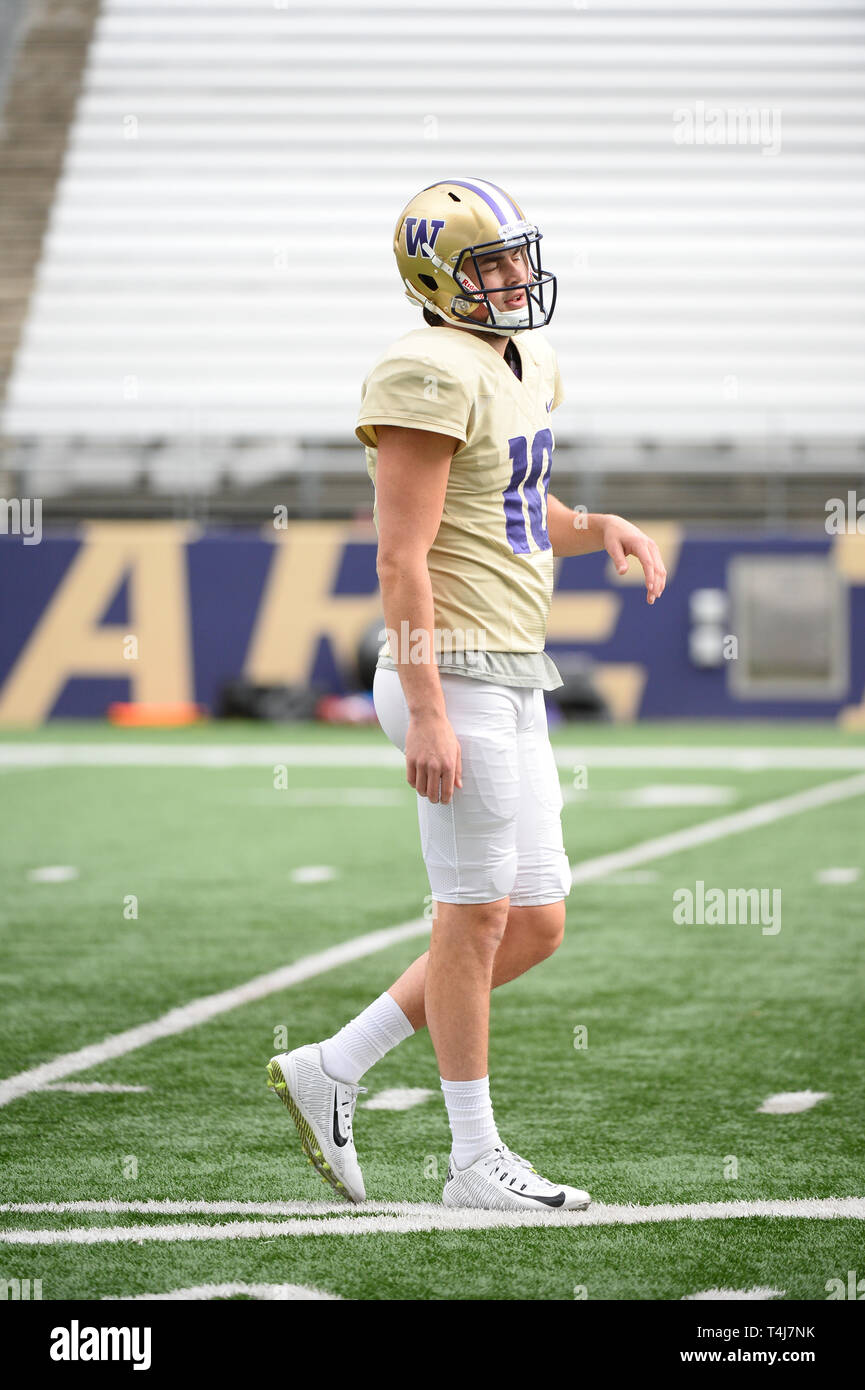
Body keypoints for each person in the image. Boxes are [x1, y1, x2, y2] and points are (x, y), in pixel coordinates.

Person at [268, 177, 666, 1210]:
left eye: (515, 259)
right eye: (490, 266)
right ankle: (471, 1158)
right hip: (451, 665)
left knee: (532, 921)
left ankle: (332, 1066)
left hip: (513, 668)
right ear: (436, 281)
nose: (514, 280)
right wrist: (426, 703)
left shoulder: (517, 360)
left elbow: (520, 506)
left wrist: (601, 525)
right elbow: (400, 558)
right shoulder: (424, 370)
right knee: (475, 912)